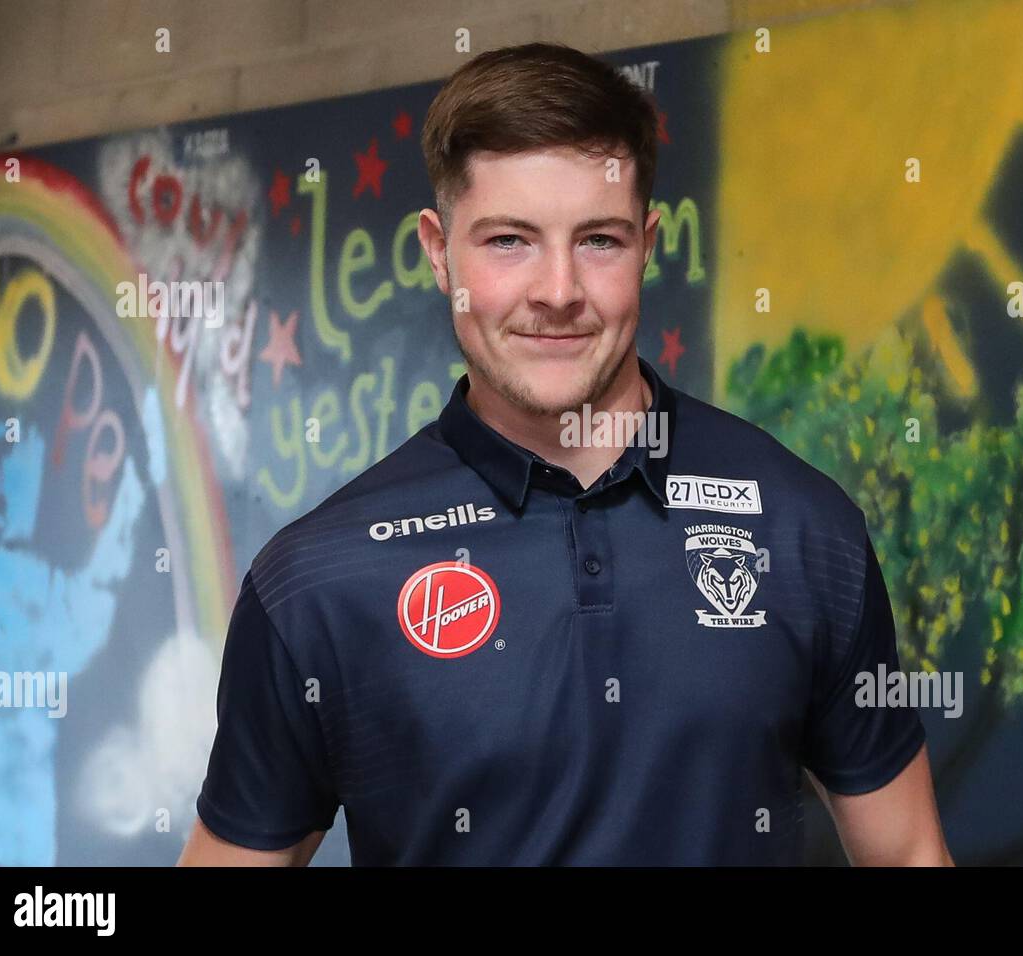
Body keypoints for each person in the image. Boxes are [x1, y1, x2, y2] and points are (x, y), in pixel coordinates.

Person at [178, 41, 953, 866]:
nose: (557, 292)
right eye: (509, 240)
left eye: (599, 241)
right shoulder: (318, 582)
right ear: (439, 252)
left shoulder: (804, 529)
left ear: (648, 244)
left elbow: (907, 853)